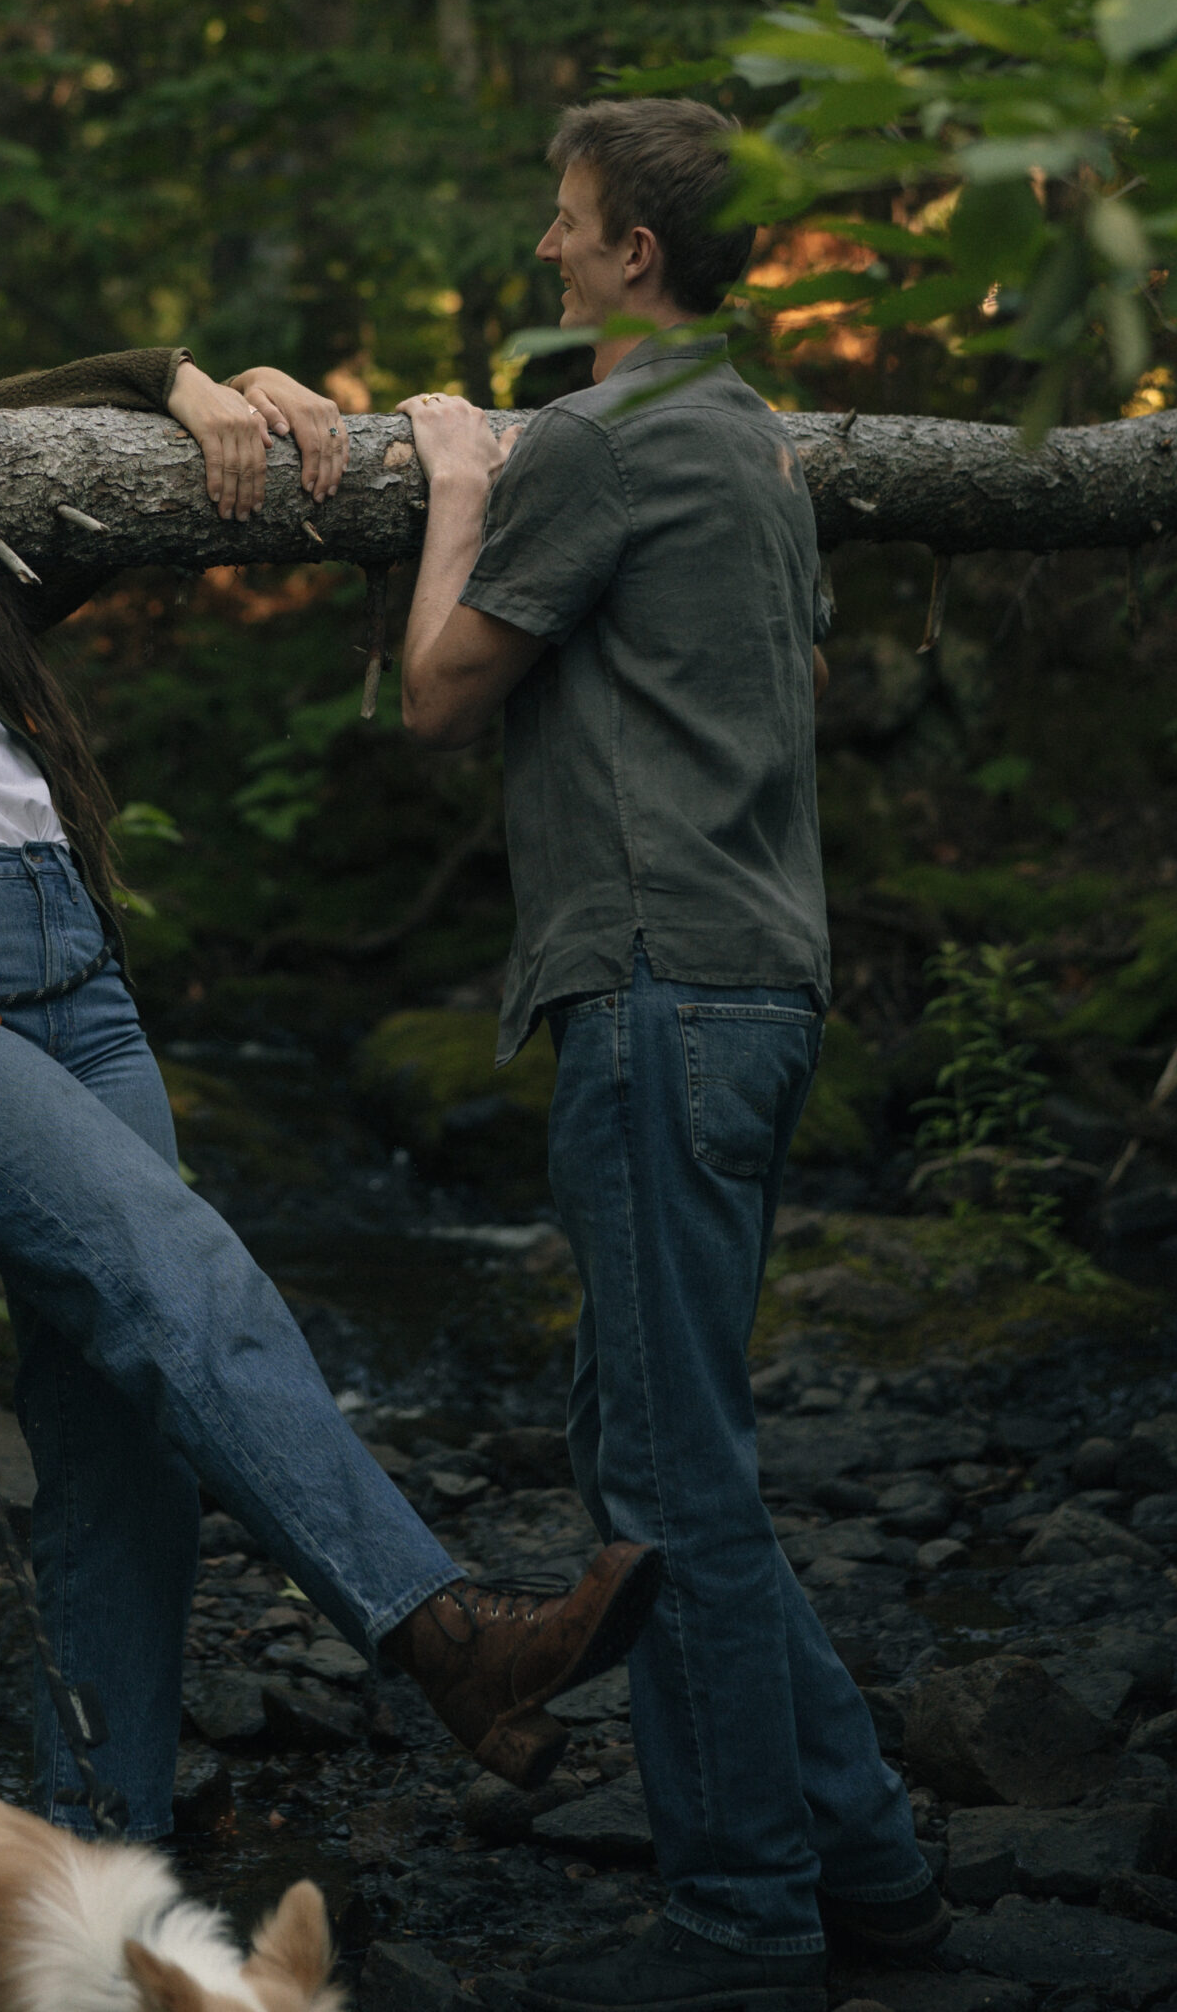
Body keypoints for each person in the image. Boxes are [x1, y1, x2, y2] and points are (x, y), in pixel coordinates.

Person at [0, 269, 662, 1847]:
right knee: (170, 1255)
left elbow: (67, 462)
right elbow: (31, 417)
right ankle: (443, 1632)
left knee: (119, 1436)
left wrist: (244, 404)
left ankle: (98, 1854)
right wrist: (163, 369)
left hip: (79, 982)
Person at [396, 102, 944, 2012]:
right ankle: (867, 1857)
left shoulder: (608, 441)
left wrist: (462, 474)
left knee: (664, 1491)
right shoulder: (757, 452)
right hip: (757, 990)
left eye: (566, 225)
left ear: (636, 255)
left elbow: (443, 694)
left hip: (658, 989)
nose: (547, 249)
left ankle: (743, 1919)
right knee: (666, 1452)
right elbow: (778, 689)